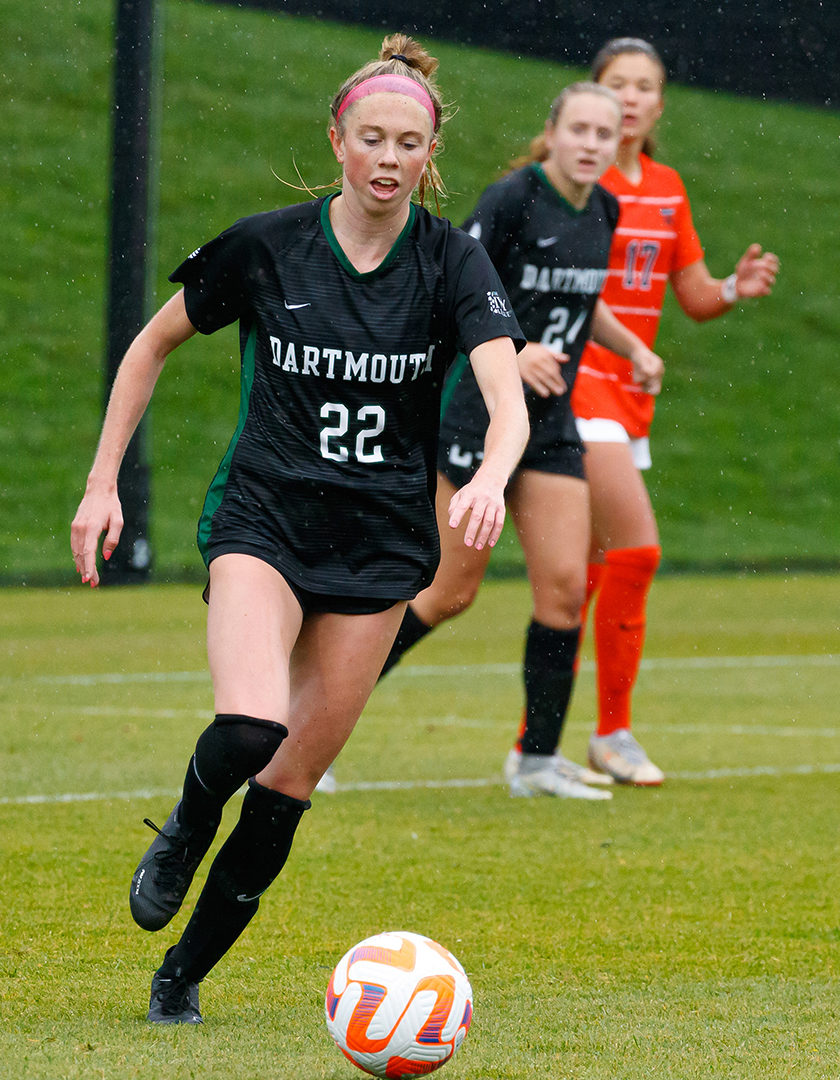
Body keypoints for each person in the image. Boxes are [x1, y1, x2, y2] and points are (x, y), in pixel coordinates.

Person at [70, 35, 528, 1025]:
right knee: (249, 727)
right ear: (337, 140)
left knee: (284, 790)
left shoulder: (454, 262)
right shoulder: (268, 247)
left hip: (379, 550)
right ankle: (186, 827)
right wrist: (102, 484)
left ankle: (179, 978)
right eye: (372, 138)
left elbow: (506, 395)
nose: (388, 158)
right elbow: (150, 346)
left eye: (409, 142)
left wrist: (493, 471)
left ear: (430, 152)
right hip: (264, 522)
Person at [361, 82, 664, 801]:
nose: (591, 143)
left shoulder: (606, 208)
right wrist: (513, 349)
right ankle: (316, 711)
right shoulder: (512, 200)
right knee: (447, 592)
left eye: (605, 133)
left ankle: (536, 761)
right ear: (552, 133)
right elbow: (452, 288)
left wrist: (632, 349)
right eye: (579, 129)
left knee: (564, 592)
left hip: (551, 423)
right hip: (482, 416)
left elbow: (580, 302)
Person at [571, 38, 781, 785]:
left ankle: (540, 741)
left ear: (660, 105)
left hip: (631, 396)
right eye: (617, 83)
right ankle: (613, 732)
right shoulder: (575, 180)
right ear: (592, 93)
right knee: (637, 552)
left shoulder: (666, 187)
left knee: (580, 574)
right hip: (576, 384)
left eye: (644, 86)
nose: (630, 97)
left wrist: (731, 289)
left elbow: (691, 296)